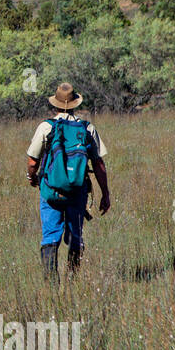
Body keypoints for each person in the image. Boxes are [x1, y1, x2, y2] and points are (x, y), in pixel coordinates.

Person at [25, 83, 110, 280]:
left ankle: (51, 287)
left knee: (50, 237)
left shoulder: (46, 127)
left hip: (51, 192)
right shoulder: (87, 128)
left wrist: (33, 178)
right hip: (77, 191)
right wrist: (105, 193)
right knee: (75, 237)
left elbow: (32, 162)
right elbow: (99, 165)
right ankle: (73, 283)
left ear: (55, 104)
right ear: (74, 105)